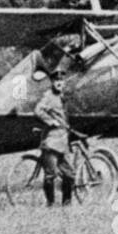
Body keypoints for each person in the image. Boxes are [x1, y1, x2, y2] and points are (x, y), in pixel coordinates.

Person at [33, 69, 75, 206]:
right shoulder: (48, 96)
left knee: (69, 174)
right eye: (56, 81)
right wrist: (51, 122)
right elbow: (38, 110)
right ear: (52, 82)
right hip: (51, 143)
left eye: (61, 81)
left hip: (62, 143)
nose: (59, 83)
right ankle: (50, 204)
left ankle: (66, 203)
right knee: (50, 175)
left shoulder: (63, 97)